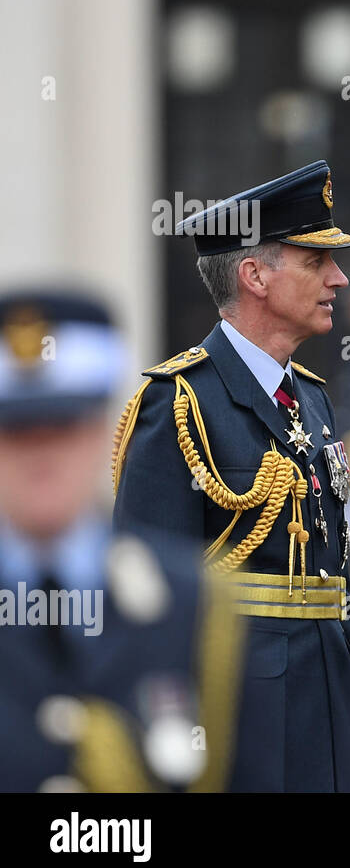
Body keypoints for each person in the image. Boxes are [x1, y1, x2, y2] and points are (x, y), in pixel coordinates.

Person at [111, 160, 350, 792]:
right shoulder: (179, 403)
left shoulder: (311, 398)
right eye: (316, 262)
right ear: (255, 275)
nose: (338, 279)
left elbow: (329, 566)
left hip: (331, 699)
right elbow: (149, 596)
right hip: (241, 712)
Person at [0, 290, 246, 792]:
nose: (42, 457)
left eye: (64, 426)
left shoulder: (192, 603)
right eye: (18, 430)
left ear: (98, 431)